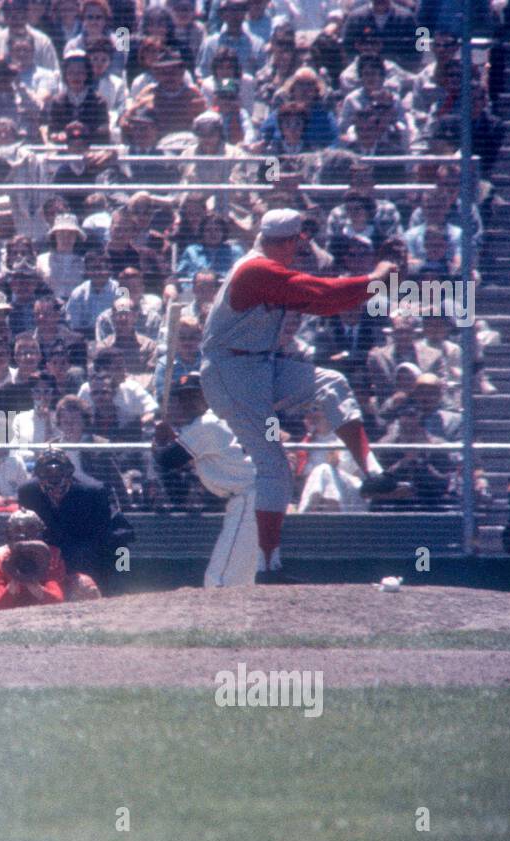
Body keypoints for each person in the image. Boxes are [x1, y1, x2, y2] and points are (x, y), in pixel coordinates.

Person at [199, 208, 398, 581]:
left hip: (258, 365)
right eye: (297, 243)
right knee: (274, 468)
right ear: (286, 241)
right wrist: (376, 279)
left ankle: (373, 472)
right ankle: (267, 567)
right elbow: (323, 296)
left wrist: (374, 278)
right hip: (231, 371)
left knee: (332, 383)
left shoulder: (268, 266)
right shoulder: (256, 269)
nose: (300, 250)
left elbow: (322, 296)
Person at [154, 372, 258, 587]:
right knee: (241, 578)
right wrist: (169, 438)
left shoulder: (205, 424)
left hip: (250, 499)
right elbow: (187, 452)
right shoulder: (208, 423)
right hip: (251, 497)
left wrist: (160, 442)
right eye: (183, 398)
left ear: (206, 397)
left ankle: (220, 621)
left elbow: (167, 459)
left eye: (194, 396)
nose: (187, 403)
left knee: (219, 579)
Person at [17, 447, 131, 592]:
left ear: (70, 474)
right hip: (49, 552)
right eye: (49, 478)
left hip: (88, 549)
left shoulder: (94, 492)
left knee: (116, 543)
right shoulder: (28, 492)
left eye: (60, 481)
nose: (56, 491)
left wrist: (123, 573)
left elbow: (121, 535)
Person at [0, 508, 99, 611]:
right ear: (8, 535)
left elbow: (56, 600)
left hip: (44, 608)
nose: (25, 537)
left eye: (31, 530)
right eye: (18, 531)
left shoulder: (51, 554)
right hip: (9, 609)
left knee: (84, 583)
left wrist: (33, 584)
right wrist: (15, 581)